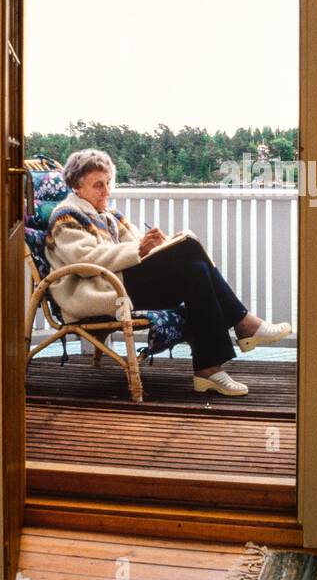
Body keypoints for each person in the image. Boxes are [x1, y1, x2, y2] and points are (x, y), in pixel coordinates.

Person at [44, 148, 293, 397]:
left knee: (195, 269)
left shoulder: (109, 215)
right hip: (103, 292)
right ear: (77, 186)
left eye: (108, 183)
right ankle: (243, 324)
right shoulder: (66, 216)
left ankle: (209, 369)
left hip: (123, 284)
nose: (106, 191)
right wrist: (140, 249)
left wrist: (157, 246)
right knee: (190, 249)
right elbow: (85, 260)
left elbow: (139, 252)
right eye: (98, 185)